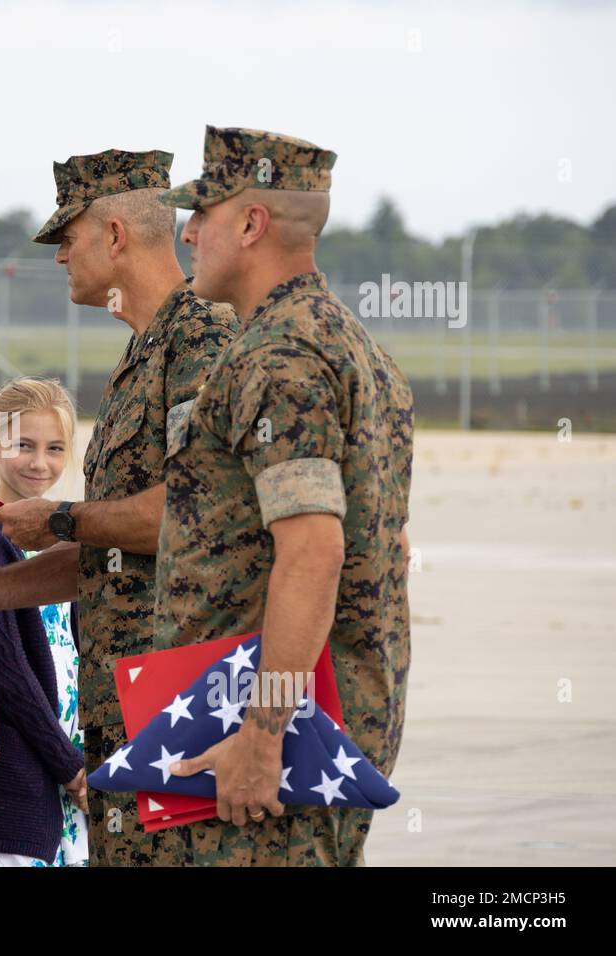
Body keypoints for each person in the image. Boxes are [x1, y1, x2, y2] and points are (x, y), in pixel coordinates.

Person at [0, 149, 240, 865]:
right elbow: (113, 551)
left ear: (114, 234)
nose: (59, 258)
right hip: (131, 696)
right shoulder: (144, 353)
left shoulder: (201, 341)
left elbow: (195, 514)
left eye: (67, 238)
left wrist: (60, 518)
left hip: (182, 693)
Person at [154, 125, 414, 865]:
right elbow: (385, 538)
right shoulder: (355, 345)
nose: (189, 231)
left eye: (202, 214)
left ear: (251, 224)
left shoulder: (281, 356)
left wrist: (263, 735)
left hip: (266, 736)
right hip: (323, 717)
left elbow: (313, 551)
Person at [0, 377, 89, 867]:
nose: (40, 462)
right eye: (24, 445)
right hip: (16, 775)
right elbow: (6, 676)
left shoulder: (60, 543)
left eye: (55, 448)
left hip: (64, 765)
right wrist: (70, 767)